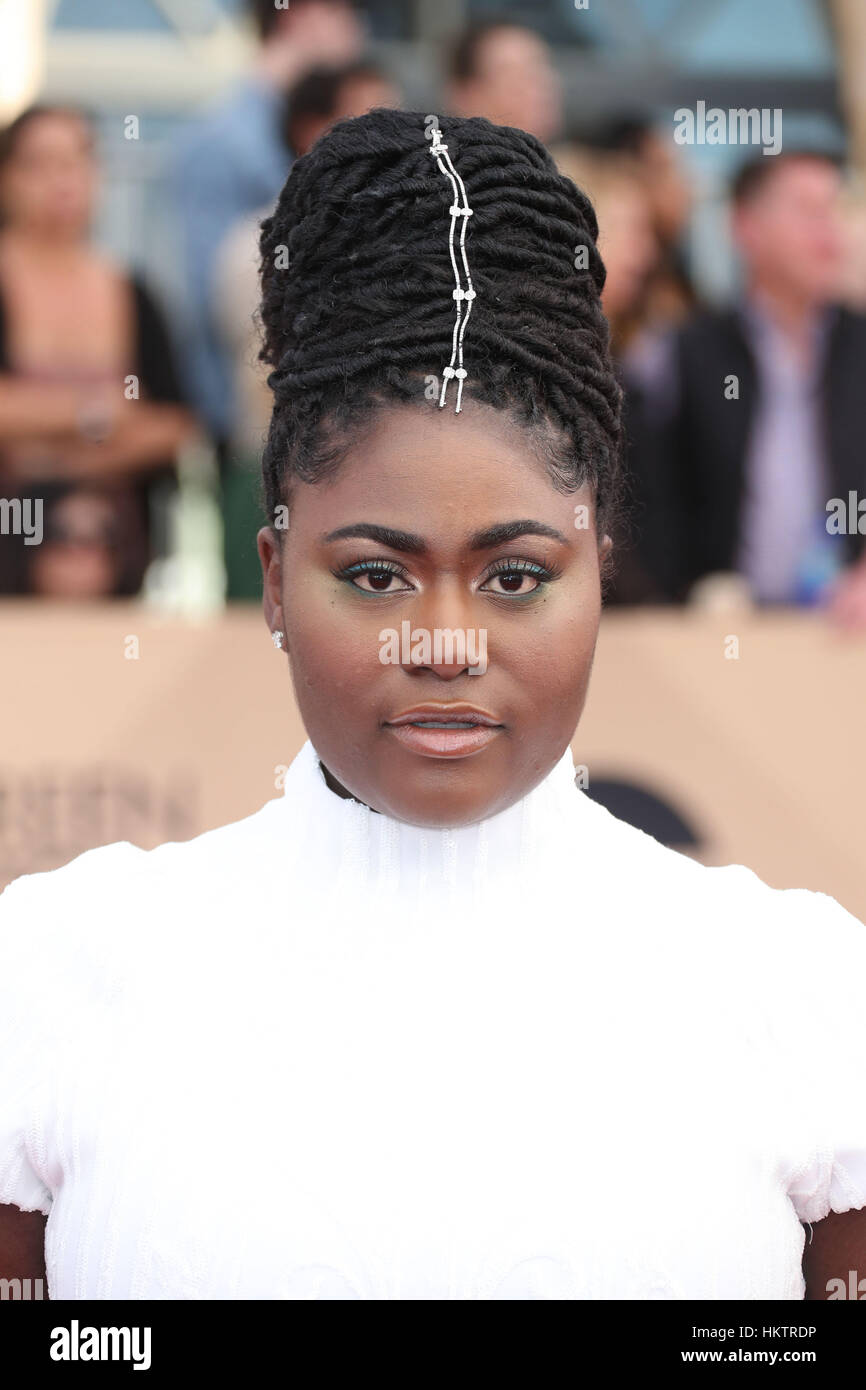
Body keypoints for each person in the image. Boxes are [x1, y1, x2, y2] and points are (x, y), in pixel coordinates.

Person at [1, 109, 865, 1300]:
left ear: (598, 571)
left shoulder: (797, 986)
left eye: (516, 576)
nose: (445, 641)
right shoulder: (61, 967)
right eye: (374, 573)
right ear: (271, 580)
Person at [648, 151, 866, 623]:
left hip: (848, 630)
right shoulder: (691, 351)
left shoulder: (859, 345)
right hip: (722, 632)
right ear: (746, 227)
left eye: (836, 209)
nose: (830, 231)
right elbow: (653, 503)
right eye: (809, 211)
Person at [212, 59, 400, 598]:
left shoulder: (425, 246)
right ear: (311, 131)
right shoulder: (248, 248)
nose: (394, 141)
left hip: (390, 482)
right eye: (369, 120)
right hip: (270, 476)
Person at [0, 105, 196, 597]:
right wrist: (96, 411)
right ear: (7, 178)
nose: (61, 181)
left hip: (117, 561)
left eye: (77, 161)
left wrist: (55, 456)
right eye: (40, 163)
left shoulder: (131, 292)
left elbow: (174, 423)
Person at [168, 0, 363, 449]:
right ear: (301, 14)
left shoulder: (237, 133)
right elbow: (207, 301)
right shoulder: (225, 140)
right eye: (346, 12)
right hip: (259, 426)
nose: (358, 30)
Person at [445, 17, 562, 147]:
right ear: (467, 94)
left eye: (541, 67)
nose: (541, 86)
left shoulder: (576, 162)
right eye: (515, 75)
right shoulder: (442, 163)